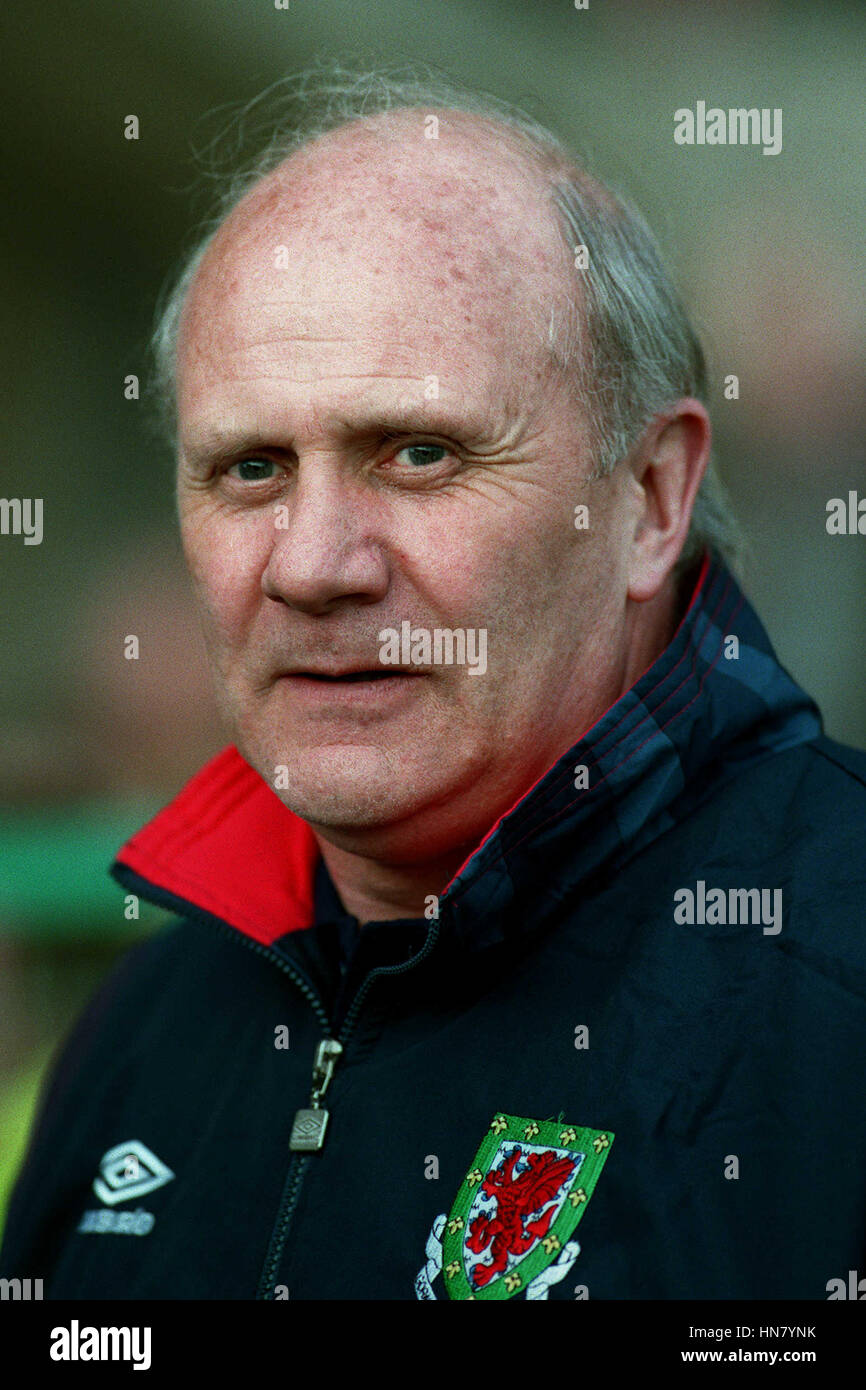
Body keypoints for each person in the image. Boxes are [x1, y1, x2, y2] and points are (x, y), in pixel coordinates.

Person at [2, 68, 864, 1302]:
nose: (311, 565)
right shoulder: (148, 1029)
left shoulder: (833, 990)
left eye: (418, 453)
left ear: (649, 501)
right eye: (250, 468)